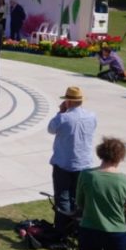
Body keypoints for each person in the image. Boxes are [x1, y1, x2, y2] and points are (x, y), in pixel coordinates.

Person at [76, 137, 126, 250]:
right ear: (120, 157)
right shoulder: (124, 179)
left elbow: (80, 202)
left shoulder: (86, 175)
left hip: (89, 229)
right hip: (116, 232)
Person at [48, 86, 98, 230]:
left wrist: (60, 112)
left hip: (64, 163)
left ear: (68, 102)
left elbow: (51, 129)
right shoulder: (92, 116)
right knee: (79, 198)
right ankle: (77, 227)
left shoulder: (63, 118)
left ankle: (62, 229)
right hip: (84, 164)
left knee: (63, 197)